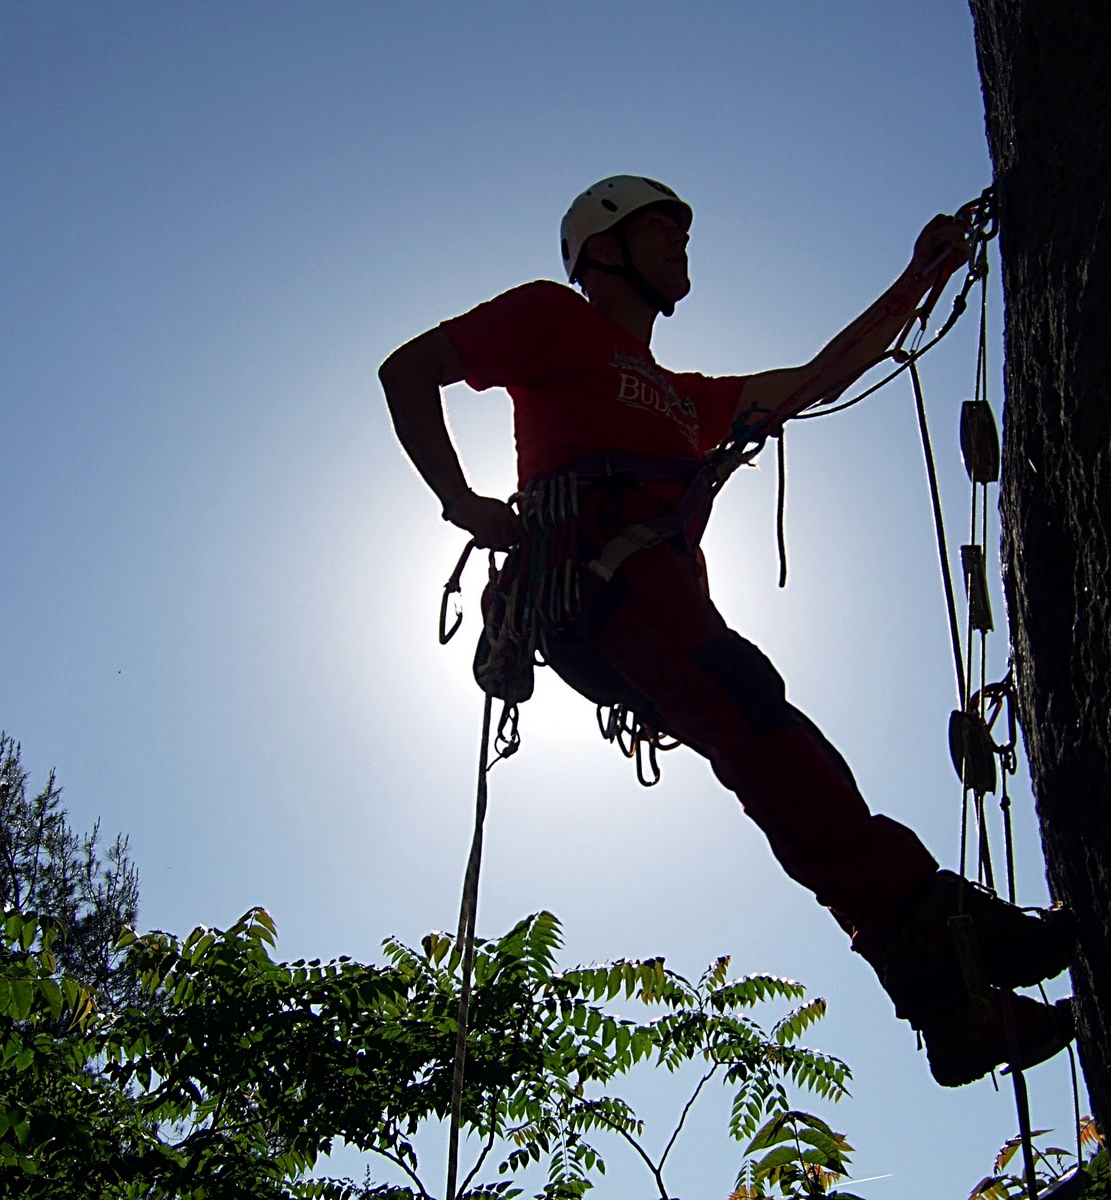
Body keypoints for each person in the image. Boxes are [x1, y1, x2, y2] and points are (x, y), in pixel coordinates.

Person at [381, 175, 1074, 1087]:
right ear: (604, 248)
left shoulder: (685, 399)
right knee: (761, 726)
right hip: (607, 583)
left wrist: (923, 275)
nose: (682, 244)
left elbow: (825, 374)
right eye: (661, 229)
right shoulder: (551, 314)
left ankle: (949, 995)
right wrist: (461, 500)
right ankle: (939, 932)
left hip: (656, 597)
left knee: (772, 745)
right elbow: (408, 370)